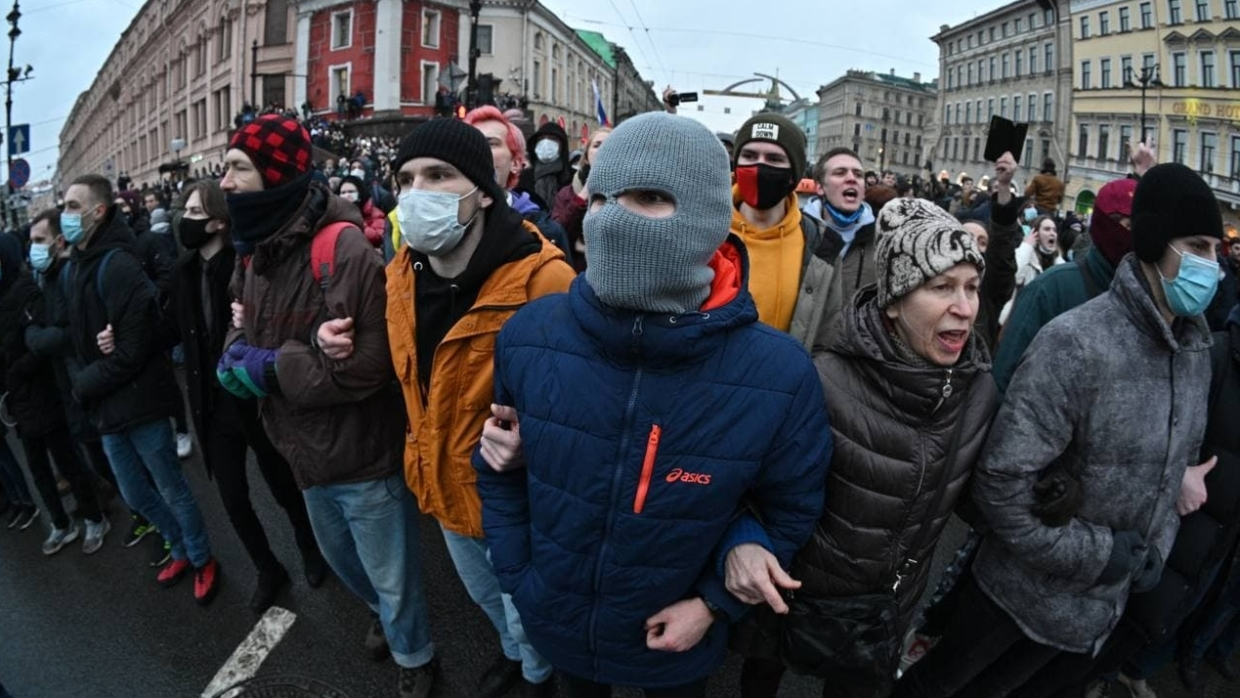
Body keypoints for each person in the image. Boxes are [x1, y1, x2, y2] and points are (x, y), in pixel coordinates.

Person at [473, 112, 831, 698]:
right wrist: (522, 578)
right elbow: (499, 463)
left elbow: (790, 509)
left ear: (708, 217)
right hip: (561, 628)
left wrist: (713, 605)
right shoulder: (529, 334)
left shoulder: (778, 373)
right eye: (602, 192)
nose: (613, 216)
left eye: (649, 196)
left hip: (676, 645)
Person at [895, 163, 1223, 697]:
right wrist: (1100, 556)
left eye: (1216, 248)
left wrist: (1152, 554)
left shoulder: (1194, 352)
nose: (1214, 265)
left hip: (1092, 621)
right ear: (1154, 244)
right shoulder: (1077, 342)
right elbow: (1001, 484)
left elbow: (1169, 476)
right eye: (1198, 246)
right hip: (1014, 601)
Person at [730, 198, 1000, 698]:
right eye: (941, 287)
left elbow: (976, 497)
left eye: (972, 287)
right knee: (762, 678)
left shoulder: (978, 392)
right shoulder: (823, 379)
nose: (964, 307)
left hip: (883, 610)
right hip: (792, 595)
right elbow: (750, 486)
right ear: (894, 300)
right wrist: (744, 541)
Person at [219, 114, 436, 697]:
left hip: (362, 454)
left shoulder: (341, 249)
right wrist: (252, 360)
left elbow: (368, 366)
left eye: (239, 168)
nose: (226, 182)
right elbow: (234, 342)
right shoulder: (251, 254)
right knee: (346, 564)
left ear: (276, 173)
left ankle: (415, 657)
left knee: (394, 578)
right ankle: (383, 617)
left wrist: (267, 366)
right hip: (303, 454)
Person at [365, 116, 574, 697]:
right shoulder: (400, 276)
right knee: (487, 597)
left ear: (484, 189)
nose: (418, 193)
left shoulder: (544, 278)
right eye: (407, 179)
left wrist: (532, 443)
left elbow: (575, 405)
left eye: (439, 175)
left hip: (516, 499)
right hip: (442, 484)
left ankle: (539, 676)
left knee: (527, 608)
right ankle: (515, 657)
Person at [169, 180, 327, 612]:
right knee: (234, 499)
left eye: (196, 213)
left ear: (220, 221)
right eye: (185, 210)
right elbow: (172, 329)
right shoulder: (183, 273)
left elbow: (268, 329)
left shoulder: (243, 267)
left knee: (281, 483)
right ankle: (267, 568)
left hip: (250, 398)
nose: (186, 220)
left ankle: (309, 547)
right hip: (210, 406)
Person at [63, 174, 220, 603]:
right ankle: (180, 546)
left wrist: (82, 385)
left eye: (73, 207)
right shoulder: (81, 263)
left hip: (141, 402)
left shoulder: (118, 264)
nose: (66, 216)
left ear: (99, 211)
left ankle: (202, 556)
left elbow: (131, 351)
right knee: (136, 493)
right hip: (109, 408)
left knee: (171, 486)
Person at [0, 232, 111, 555]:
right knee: (38, 468)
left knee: (67, 460)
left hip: (43, 390)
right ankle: (60, 524)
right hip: (17, 399)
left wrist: (16, 370)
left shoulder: (26, 291)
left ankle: (94, 518)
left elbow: (40, 343)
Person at [728, 113, 843, 350]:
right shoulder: (704, 229)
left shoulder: (823, 245)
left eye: (774, 158)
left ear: (794, 173)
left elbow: (829, 337)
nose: (759, 166)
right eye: (749, 156)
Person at [460, 105, 573, 268]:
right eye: (469, 142)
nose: (477, 150)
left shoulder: (545, 232)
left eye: (490, 143)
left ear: (516, 163)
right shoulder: (443, 223)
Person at [801, 147, 877, 301]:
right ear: (820, 187)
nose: (851, 178)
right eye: (840, 173)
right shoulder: (797, 230)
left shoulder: (882, 239)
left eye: (858, 174)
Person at [552, 126, 611, 272]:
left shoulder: (630, 191)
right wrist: (582, 196)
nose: (603, 149)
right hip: (576, 272)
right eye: (597, 145)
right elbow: (557, 234)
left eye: (609, 144)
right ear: (586, 156)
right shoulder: (567, 193)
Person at [998, 214, 1066, 327]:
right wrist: (1026, 246)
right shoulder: (1025, 255)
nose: (1052, 233)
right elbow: (1013, 276)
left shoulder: (1060, 264)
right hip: (1019, 321)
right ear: (1036, 234)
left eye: (1054, 230)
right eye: (1047, 229)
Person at [516, 122, 573, 209]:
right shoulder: (523, 176)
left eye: (553, 139)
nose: (546, 143)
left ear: (562, 145)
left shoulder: (572, 176)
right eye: (541, 139)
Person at [338, 175, 387, 247]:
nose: (346, 195)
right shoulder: (336, 214)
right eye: (343, 193)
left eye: (351, 191)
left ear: (359, 193)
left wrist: (359, 223)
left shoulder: (374, 213)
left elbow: (379, 236)